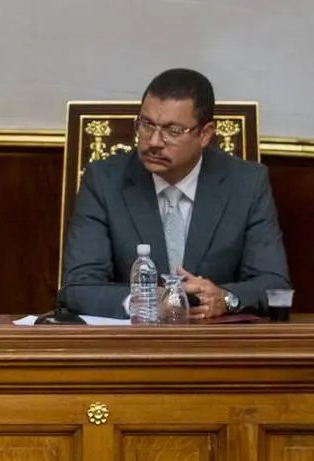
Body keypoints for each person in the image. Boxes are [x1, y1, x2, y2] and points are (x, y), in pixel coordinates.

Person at [61, 68, 290, 319]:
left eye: (173, 130)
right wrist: (143, 303)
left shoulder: (246, 183)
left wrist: (225, 298)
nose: (154, 142)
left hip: (218, 346)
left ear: (205, 134)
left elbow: (274, 284)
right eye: (146, 125)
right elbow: (78, 286)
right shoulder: (104, 181)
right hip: (131, 347)